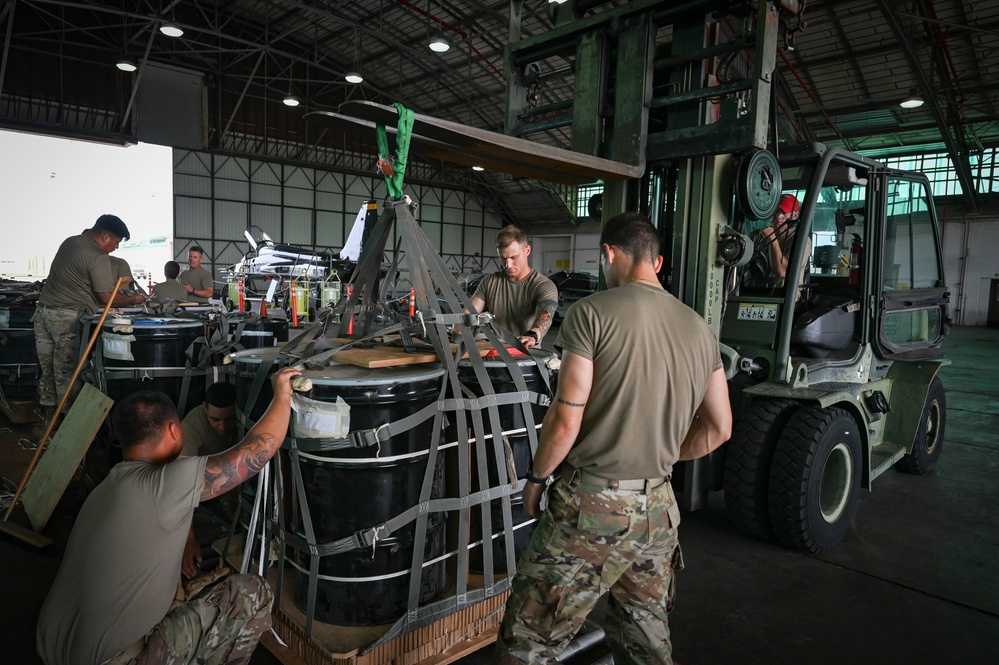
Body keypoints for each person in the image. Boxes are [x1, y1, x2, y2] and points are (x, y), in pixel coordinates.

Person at [492, 212, 732, 665]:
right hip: (658, 513)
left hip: (590, 511)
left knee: (528, 641)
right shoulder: (701, 329)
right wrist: (659, 458)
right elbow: (720, 428)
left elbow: (566, 420)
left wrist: (537, 478)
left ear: (608, 254)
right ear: (657, 262)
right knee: (645, 641)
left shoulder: (590, 314)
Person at [36, 366, 301, 665]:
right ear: (175, 430)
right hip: (113, 660)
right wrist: (282, 393)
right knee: (252, 591)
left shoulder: (106, 488)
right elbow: (257, 453)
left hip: (52, 649)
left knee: (181, 591)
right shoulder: (163, 482)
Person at [33, 216, 146, 422]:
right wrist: (135, 300)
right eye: (116, 242)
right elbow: (106, 297)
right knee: (66, 372)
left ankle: (47, 418)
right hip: (65, 318)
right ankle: (67, 425)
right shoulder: (97, 256)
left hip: (43, 313)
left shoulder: (70, 241)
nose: (116, 247)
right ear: (105, 237)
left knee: (47, 368)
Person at [177, 381, 240, 578]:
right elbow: (181, 485)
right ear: (205, 408)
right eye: (215, 420)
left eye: (230, 419)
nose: (223, 427)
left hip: (236, 472)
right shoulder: (191, 428)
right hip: (201, 480)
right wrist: (188, 539)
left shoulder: (247, 417)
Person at [469, 225, 558, 349]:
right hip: (495, 353)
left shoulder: (543, 285)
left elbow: (545, 315)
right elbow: (470, 312)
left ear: (527, 250)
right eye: (503, 258)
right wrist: (458, 330)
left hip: (527, 355)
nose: (508, 265)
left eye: (513, 257)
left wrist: (532, 335)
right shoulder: (489, 282)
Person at [752, 193, 811, 289]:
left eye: (784, 212)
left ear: (794, 215)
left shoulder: (801, 240)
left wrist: (772, 238)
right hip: (758, 291)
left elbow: (783, 272)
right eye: (776, 211)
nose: (779, 216)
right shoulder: (757, 236)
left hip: (787, 296)